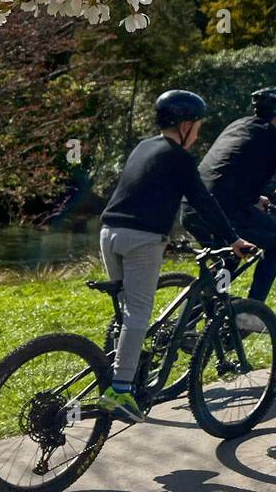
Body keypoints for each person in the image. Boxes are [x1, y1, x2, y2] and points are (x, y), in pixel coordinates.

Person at [97, 90, 255, 423]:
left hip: (109, 232)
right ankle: (121, 390)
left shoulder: (144, 146)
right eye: (197, 126)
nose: (198, 134)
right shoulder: (179, 157)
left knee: (126, 311)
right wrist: (233, 239)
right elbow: (202, 200)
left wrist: (162, 237)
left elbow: (140, 192)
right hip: (140, 239)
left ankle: (117, 370)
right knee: (138, 313)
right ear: (184, 125)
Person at [181, 86, 276, 306]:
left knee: (226, 265)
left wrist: (253, 197)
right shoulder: (272, 138)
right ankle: (253, 310)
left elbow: (228, 168)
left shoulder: (238, 126)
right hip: (223, 209)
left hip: (192, 207)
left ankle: (196, 325)